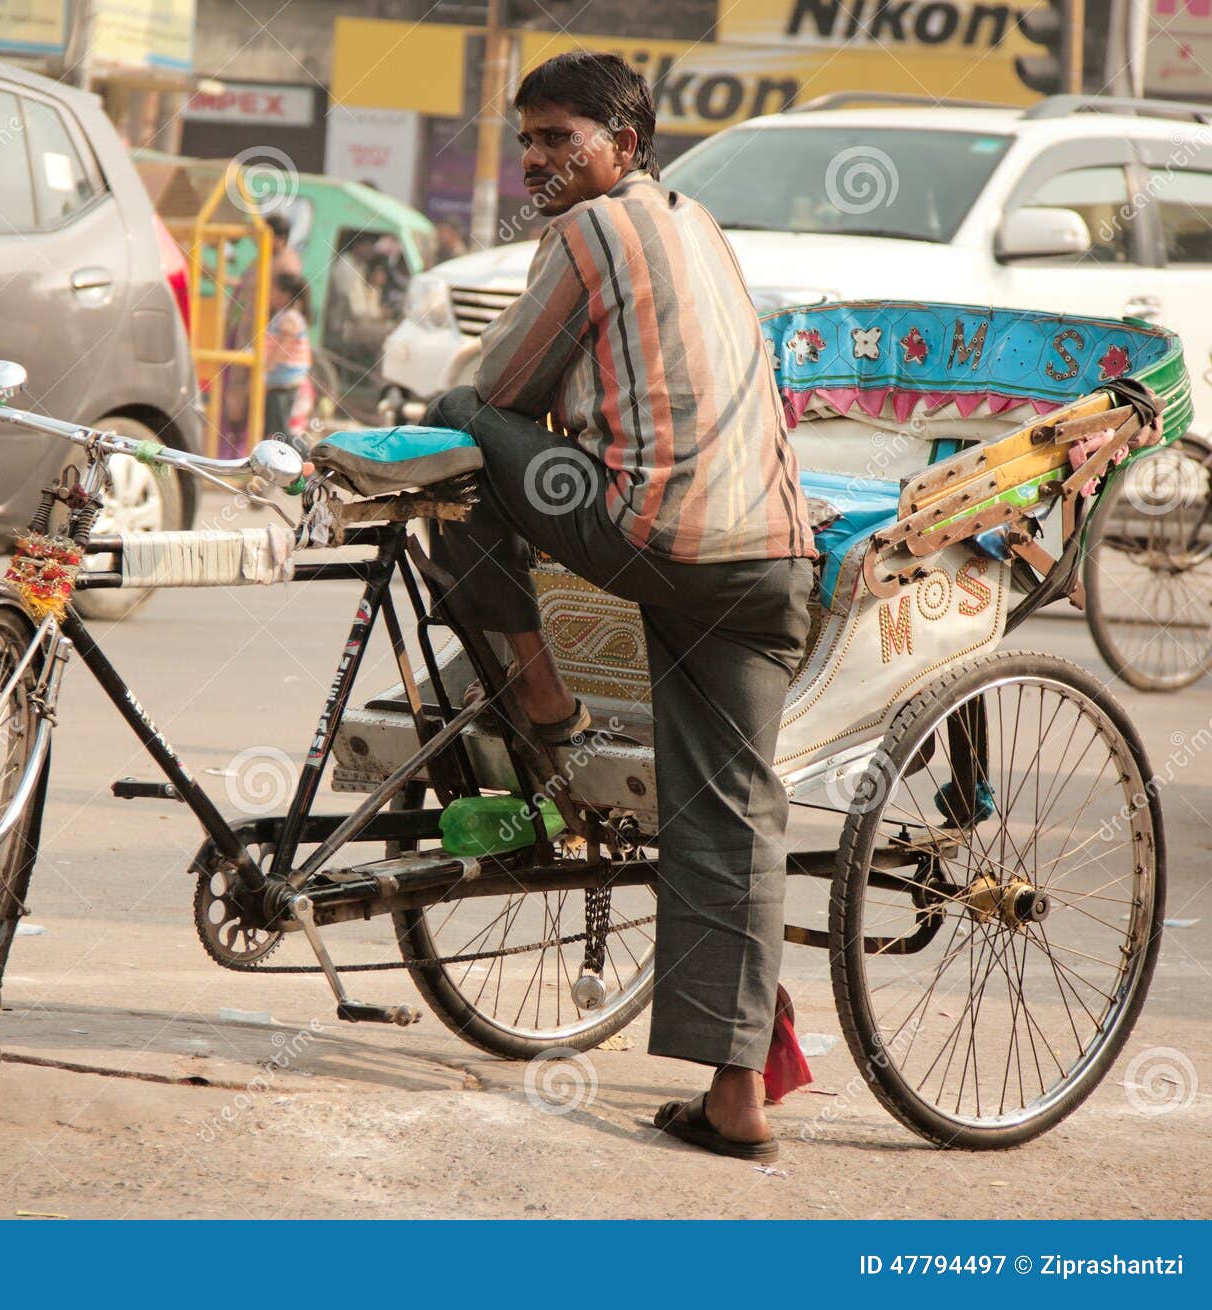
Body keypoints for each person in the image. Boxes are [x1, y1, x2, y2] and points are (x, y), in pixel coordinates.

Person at [425, 51, 816, 1162]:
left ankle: (538, 695)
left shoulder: (590, 235)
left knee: (455, 425)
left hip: (659, 539)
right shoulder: (698, 225)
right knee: (730, 810)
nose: (542, 161)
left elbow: (501, 391)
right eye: (530, 141)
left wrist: (510, 426)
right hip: (770, 560)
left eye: (563, 140)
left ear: (625, 147)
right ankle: (736, 1091)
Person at [263, 272, 312, 452]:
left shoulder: (289, 318)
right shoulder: (285, 315)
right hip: (281, 381)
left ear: (285, 294)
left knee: (281, 431)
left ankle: (306, 461)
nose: (269, 293)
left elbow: (282, 348)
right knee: (274, 427)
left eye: (273, 290)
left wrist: (264, 369)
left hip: (283, 381)